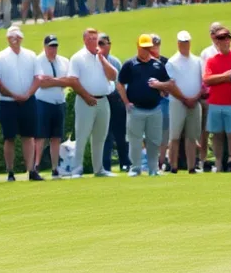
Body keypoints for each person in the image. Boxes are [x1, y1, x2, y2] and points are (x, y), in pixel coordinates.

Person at [117, 34, 173, 177]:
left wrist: (160, 86)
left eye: (148, 48)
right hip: (136, 108)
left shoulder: (157, 65)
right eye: (144, 48)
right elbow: (120, 84)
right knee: (135, 140)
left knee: (154, 140)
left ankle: (153, 169)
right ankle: (135, 168)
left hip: (154, 108)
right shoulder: (130, 65)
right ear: (138, 47)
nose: (146, 50)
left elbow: (169, 83)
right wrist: (126, 102)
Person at [0, 26, 40, 182]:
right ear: (7, 39)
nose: (15, 39)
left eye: (17, 36)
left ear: (22, 38)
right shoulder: (0, 57)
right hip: (7, 102)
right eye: (12, 37)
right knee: (9, 137)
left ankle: (31, 170)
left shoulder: (31, 55)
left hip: (28, 101)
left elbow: (38, 78)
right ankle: (10, 172)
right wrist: (13, 95)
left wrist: (27, 95)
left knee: (28, 136)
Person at [69, 28, 115, 178]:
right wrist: (86, 96)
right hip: (85, 101)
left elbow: (113, 76)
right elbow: (73, 81)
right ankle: (77, 169)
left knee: (100, 137)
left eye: (95, 39)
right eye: (89, 39)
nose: (93, 42)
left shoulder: (101, 57)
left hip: (103, 100)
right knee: (82, 136)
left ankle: (99, 169)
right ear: (84, 40)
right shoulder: (78, 58)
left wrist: (102, 60)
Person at [203, 27, 231, 173]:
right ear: (216, 42)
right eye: (220, 38)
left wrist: (219, 78)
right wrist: (227, 76)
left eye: (226, 38)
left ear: (230, 40)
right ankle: (219, 164)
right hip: (215, 103)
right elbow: (207, 79)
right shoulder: (211, 60)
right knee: (217, 135)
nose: (224, 41)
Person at [165, 31, 203, 173]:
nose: (184, 45)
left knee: (192, 137)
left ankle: (191, 166)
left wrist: (195, 97)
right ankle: (173, 166)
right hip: (177, 102)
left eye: (186, 42)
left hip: (194, 101)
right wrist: (184, 99)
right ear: (178, 43)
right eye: (182, 42)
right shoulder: (172, 62)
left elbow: (202, 81)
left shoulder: (197, 61)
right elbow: (171, 85)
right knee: (174, 135)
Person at [33, 34, 69, 177]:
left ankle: (55, 168)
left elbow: (68, 81)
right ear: (45, 47)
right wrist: (59, 81)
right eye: (50, 46)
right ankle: (35, 166)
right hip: (42, 102)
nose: (53, 49)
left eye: (55, 46)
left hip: (59, 102)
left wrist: (52, 80)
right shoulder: (38, 61)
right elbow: (41, 83)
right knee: (40, 136)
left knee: (56, 137)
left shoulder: (63, 61)